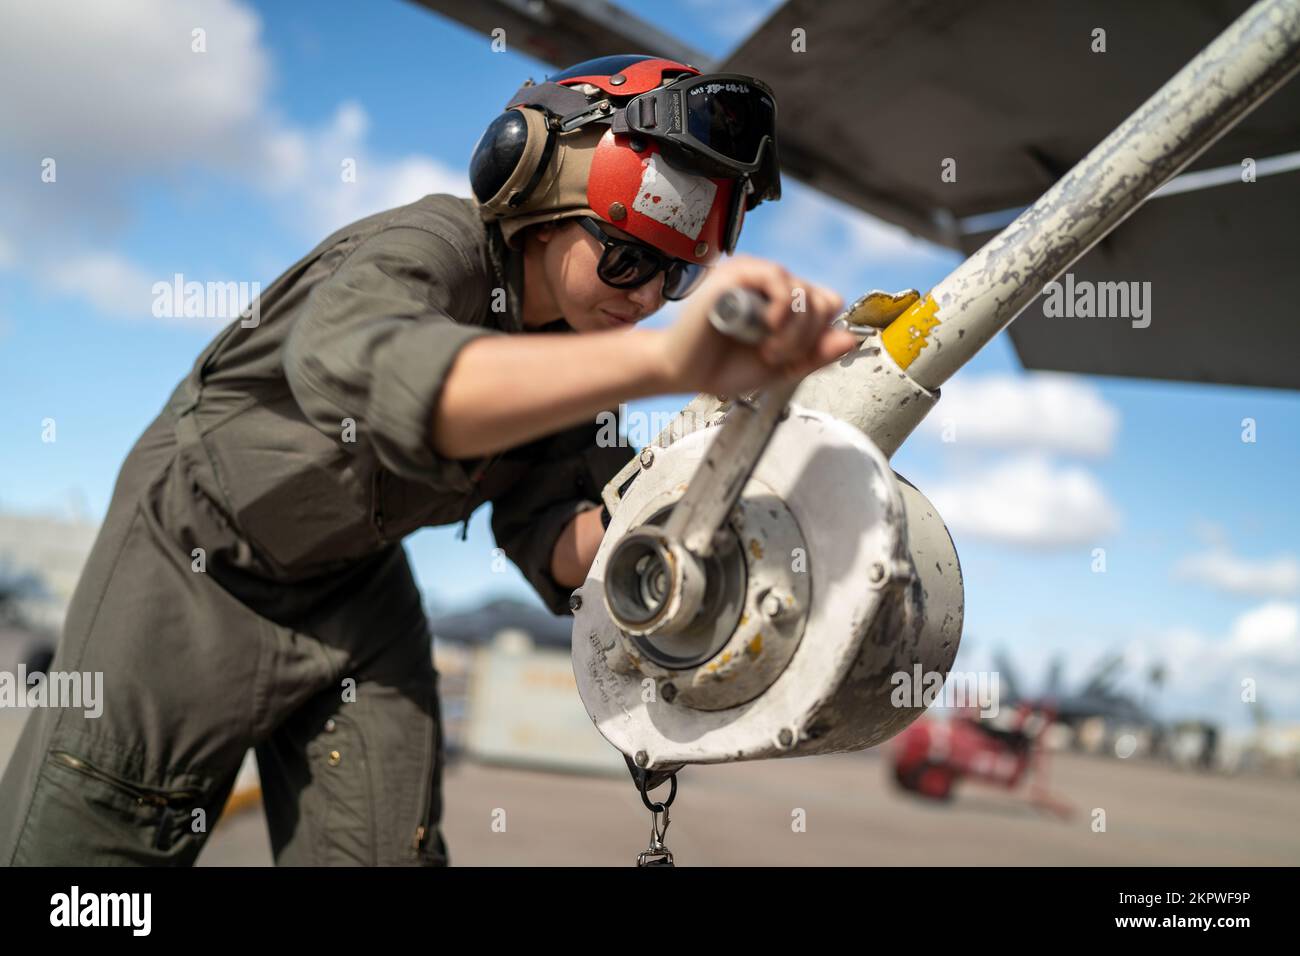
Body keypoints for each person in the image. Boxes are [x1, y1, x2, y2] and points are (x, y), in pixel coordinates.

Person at [0, 54, 854, 866]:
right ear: (535, 180)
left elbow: (556, 541)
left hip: (352, 592)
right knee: (92, 854)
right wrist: (670, 362)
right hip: (194, 558)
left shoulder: (579, 367)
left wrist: (699, 485)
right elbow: (389, 373)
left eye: (672, 281)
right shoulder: (434, 246)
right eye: (625, 255)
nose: (639, 297)